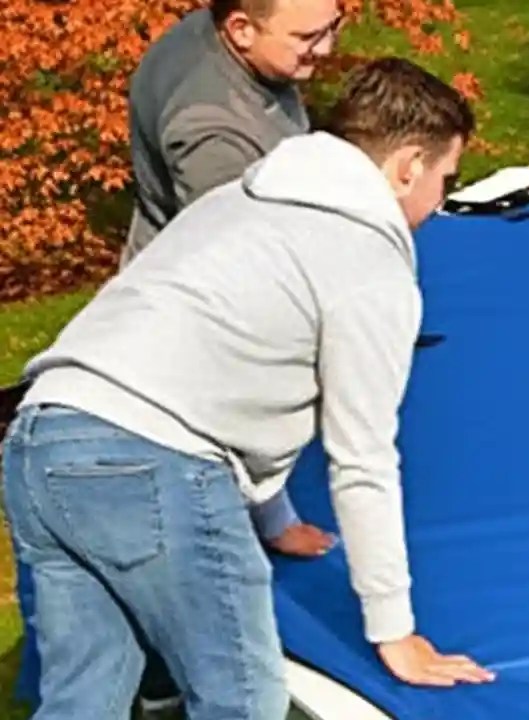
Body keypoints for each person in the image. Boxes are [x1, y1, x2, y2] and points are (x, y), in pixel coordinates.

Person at [2, 57, 496, 720]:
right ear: (408, 165)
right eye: (445, 178)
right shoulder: (367, 260)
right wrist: (393, 631)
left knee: (86, 694)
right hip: (149, 459)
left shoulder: (237, 201)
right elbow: (363, 456)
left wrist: (277, 520)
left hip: (41, 438)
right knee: (245, 699)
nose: (439, 201)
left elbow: (218, 365)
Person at [125, 0, 343, 559]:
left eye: (333, 26)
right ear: (241, 30)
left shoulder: (235, 44)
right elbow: (241, 268)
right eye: (307, 37)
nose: (326, 49)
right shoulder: (214, 133)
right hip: (188, 312)